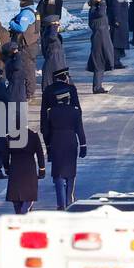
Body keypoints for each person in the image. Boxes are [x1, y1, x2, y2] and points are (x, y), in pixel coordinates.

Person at [42, 82, 86, 210]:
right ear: (68, 99)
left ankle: (60, 203)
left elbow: (47, 131)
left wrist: (48, 146)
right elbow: (80, 130)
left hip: (56, 141)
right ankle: (69, 199)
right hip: (71, 141)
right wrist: (83, 145)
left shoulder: (51, 112)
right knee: (71, 172)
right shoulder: (75, 111)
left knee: (58, 173)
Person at [4, 127, 44, 214]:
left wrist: (7, 168)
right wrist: (42, 169)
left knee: (16, 197)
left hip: (15, 167)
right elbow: (40, 153)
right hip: (29, 167)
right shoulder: (33, 135)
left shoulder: (9, 136)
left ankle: (20, 215)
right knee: (29, 195)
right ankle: (24, 213)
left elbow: (5, 155)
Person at [85, 0, 115, 94]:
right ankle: (97, 87)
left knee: (100, 64)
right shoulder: (95, 11)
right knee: (99, 63)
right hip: (99, 40)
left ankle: (98, 86)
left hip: (102, 39)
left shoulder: (95, 11)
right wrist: (102, 3)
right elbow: (101, 12)